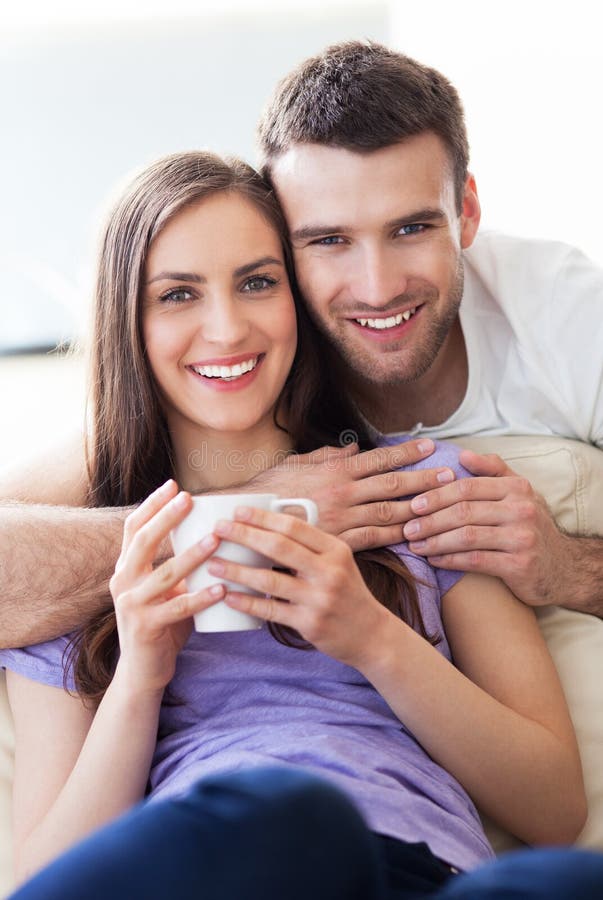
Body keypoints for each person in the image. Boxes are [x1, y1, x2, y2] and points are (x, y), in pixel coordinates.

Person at [0, 151, 600, 900]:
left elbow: (554, 808)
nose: (226, 328)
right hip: (214, 872)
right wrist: (141, 677)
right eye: (178, 294)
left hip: (416, 874)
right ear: (126, 321)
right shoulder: (78, 567)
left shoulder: (421, 488)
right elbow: (49, 880)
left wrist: (371, 639)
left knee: (565, 882)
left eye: (258, 282)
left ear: (300, 297)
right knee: (287, 811)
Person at [1, 42, 602, 651]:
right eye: (329, 240)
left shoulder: (565, 312)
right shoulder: (248, 348)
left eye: (411, 228)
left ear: (466, 211)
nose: (377, 288)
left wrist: (572, 568)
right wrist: (250, 514)